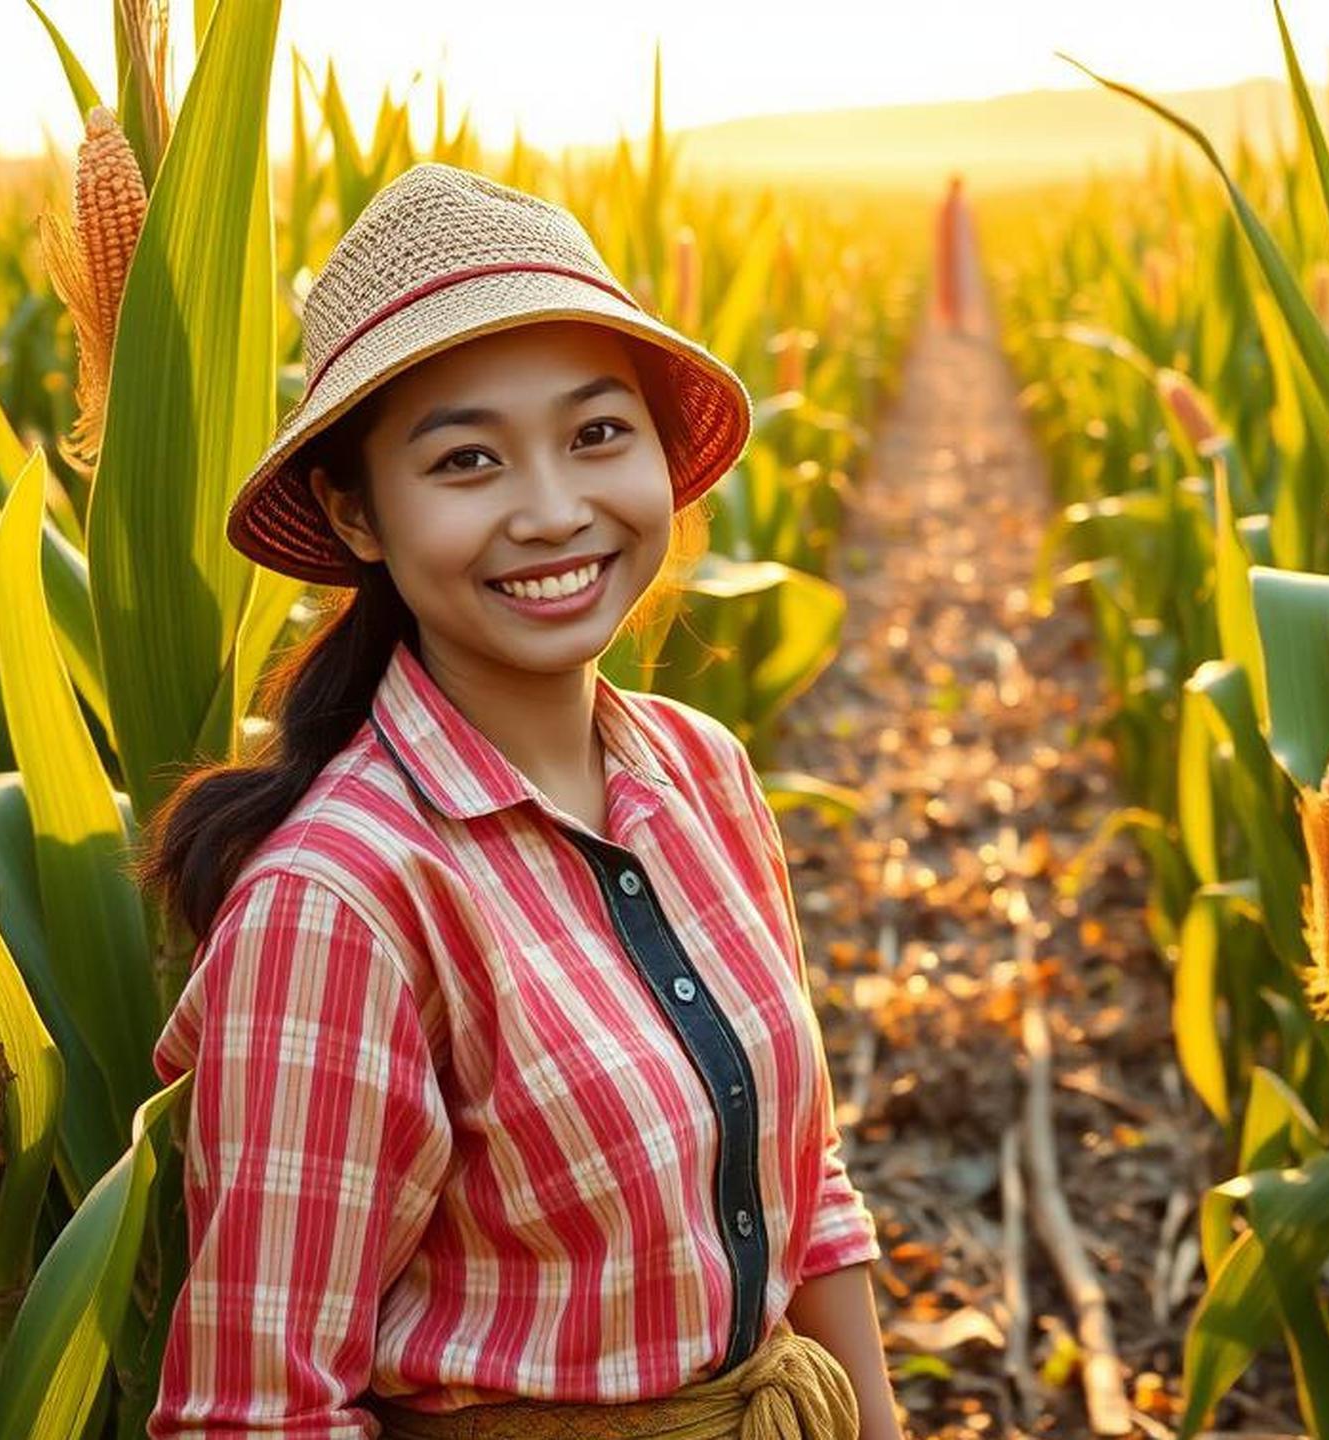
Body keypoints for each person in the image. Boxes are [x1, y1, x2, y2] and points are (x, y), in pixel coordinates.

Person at [133, 162, 900, 1439]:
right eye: (468, 459)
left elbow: (803, 1185)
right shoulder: (339, 906)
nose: (553, 512)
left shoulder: (701, 769)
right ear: (356, 513)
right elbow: (254, 1414)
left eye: (598, 434)